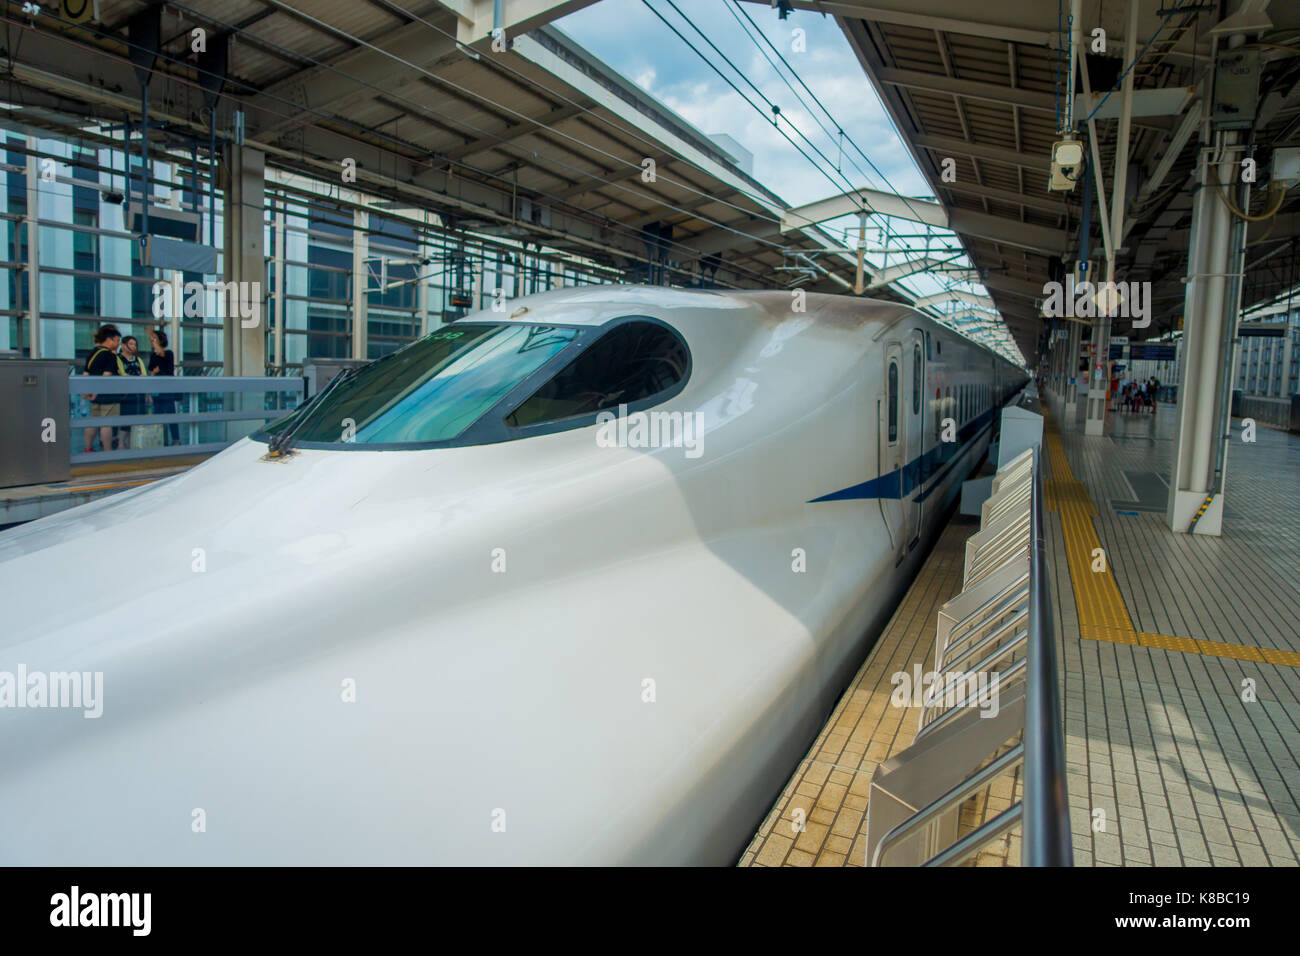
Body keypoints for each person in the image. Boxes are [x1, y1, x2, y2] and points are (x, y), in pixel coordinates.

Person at [83, 324, 122, 453]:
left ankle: (88, 448)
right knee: (107, 424)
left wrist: (87, 391)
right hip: (107, 394)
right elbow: (106, 375)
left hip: (92, 394)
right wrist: (97, 391)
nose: (118, 344)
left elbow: (86, 373)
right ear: (109, 340)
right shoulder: (109, 355)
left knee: (93, 421)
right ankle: (107, 452)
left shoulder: (93, 353)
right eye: (117, 340)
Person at [147, 328, 180, 446]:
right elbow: (151, 371)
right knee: (158, 414)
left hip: (167, 389)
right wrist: (155, 372)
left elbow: (168, 370)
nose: (152, 342)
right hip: (157, 389)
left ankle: (176, 439)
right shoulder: (153, 355)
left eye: (154, 339)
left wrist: (157, 371)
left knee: (171, 414)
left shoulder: (169, 353)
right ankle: (160, 440)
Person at [117, 336, 149, 449]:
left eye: (135, 344)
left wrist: (147, 393)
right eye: (130, 344)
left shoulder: (138, 359)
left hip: (139, 394)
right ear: (123, 345)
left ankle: (132, 444)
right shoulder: (118, 359)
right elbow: (122, 374)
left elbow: (144, 375)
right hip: (126, 394)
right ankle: (121, 443)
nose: (133, 347)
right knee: (126, 420)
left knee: (137, 420)